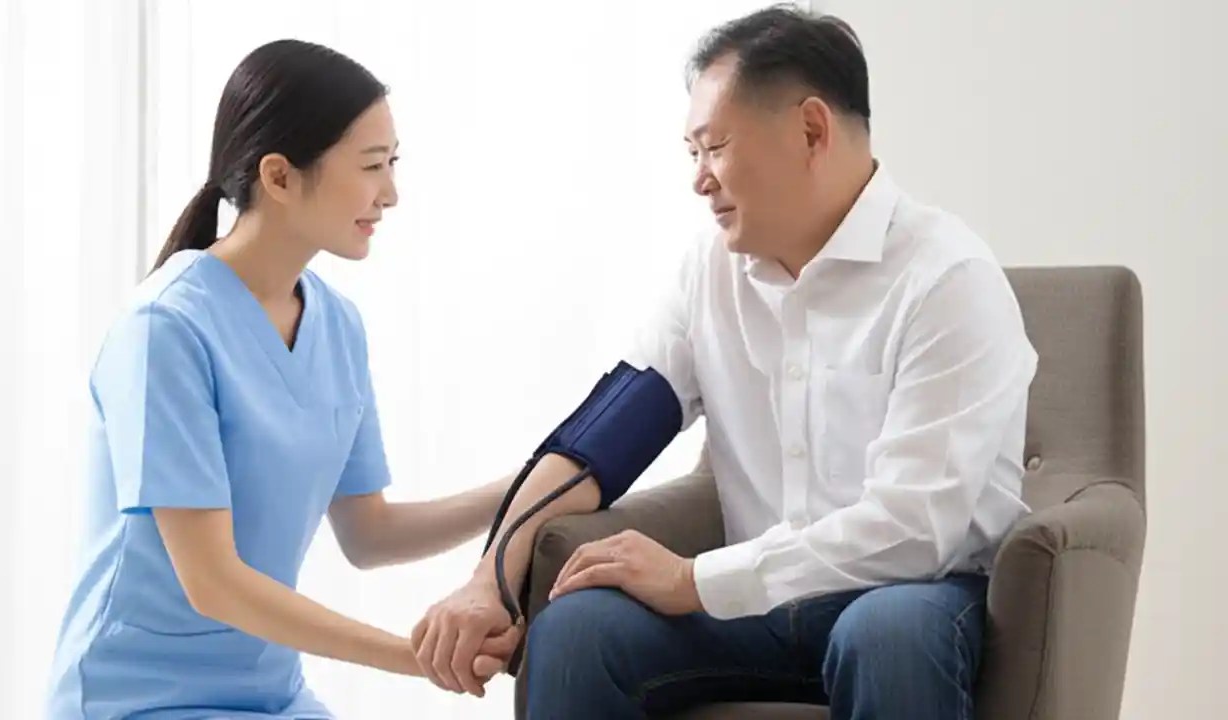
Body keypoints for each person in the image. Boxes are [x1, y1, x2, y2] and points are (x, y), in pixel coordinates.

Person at [411, 6, 1038, 719]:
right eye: (692, 154)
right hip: (753, 613)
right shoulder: (709, 276)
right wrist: (489, 579)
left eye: (713, 148)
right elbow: (595, 445)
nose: (699, 181)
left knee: (887, 633)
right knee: (579, 632)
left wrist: (696, 580)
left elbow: (916, 527)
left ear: (810, 130)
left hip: (911, 597)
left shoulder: (947, 278)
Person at [45, 39, 513, 719]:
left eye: (393, 164)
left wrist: (526, 485)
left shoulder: (337, 326)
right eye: (372, 166)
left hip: (270, 695)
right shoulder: (165, 330)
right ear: (281, 176)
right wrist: (414, 658)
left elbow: (369, 532)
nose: (391, 193)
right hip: (137, 698)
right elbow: (214, 584)